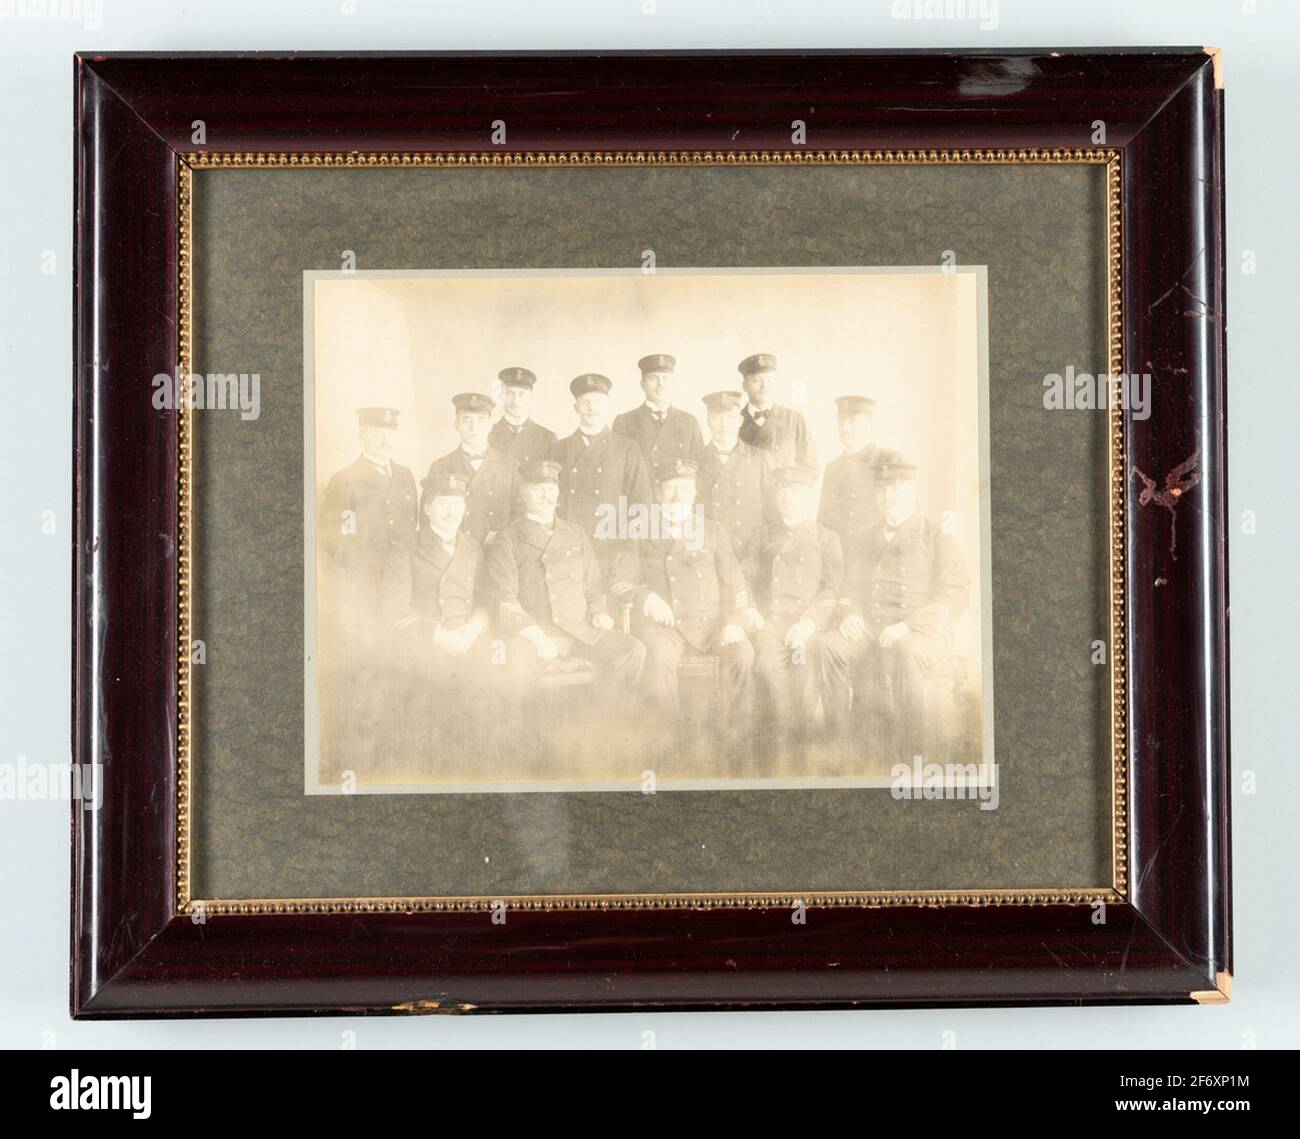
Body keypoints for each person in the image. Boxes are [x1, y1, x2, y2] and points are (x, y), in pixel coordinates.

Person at [816, 457, 970, 759]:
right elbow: (848, 587)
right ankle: (840, 738)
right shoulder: (864, 536)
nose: (890, 497)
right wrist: (850, 614)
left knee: (904, 650)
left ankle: (910, 752)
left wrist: (909, 626)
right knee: (827, 646)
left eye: (897, 489)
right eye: (883, 491)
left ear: (913, 492)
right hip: (872, 627)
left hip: (922, 633)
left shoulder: (936, 535)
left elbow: (956, 594)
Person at [485, 459, 646, 696]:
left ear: (558, 492)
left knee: (633, 649)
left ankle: (609, 723)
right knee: (515, 660)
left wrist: (598, 611)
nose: (546, 496)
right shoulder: (508, 538)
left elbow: (593, 585)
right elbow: (503, 596)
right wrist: (536, 637)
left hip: (580, 629)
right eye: (538, 489)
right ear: (523, 494)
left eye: (551, 489)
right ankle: (520, 732)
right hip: (538, 631)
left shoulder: (575, 532)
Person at [611, 458, 754, 724]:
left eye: (684, 489)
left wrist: (734, 622)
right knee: (657, 658)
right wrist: (646, 598)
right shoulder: (639, 530)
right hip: (664, 629)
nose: (677, 496)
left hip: (711, 625)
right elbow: (619, 583)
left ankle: (735, 737)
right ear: (658, 493)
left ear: (695, 493)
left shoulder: (712, 531)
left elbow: (735, 583)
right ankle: (667, 744)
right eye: (670, 488)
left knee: (743, 653)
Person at [383, 471, 492, 768]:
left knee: (496, 687)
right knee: (429, 715)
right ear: (428, 508)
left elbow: (485, 601)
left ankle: (478, 768)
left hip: (467, 640)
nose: (450, 512)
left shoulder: (473, 548)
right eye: (443, 503)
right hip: (424, 639)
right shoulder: (405, 546)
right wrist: (441, 636)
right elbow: (395, 608)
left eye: (457, 504)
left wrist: (472, 629)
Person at [746, 465, 843, 747]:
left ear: (808, 496)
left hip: (805, 627)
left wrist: (809, 623)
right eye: (783, 491)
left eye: (796, 491)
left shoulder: (826, 538)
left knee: (804, 673)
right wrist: (751, 609)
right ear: (777, 497)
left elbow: (831, 589)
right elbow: (743, 577)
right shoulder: (762, 536)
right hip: (770, 625)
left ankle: (798, 748)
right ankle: (778, 743)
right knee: (765, 665)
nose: (789, 497)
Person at [318, 405, 418, 652]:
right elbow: (333, 541)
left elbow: (411, 524)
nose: (386, 440)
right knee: (371, 649)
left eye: (391, 433)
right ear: (361, 436)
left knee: (404, 646)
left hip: (403, 579)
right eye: (376, 433)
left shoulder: (405, 475)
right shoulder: (344, 479)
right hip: (365, 582)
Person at [550, 372, 653, 577]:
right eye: (585, 402)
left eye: (597, 401)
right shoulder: (559, 449)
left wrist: (629, 551)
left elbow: (641, 502)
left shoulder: (626, 448)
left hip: (612, 545)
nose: (591, 407)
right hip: (570, 544)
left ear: (607, 406)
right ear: (576, 408)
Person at [695, 389, 774, 583]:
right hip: (709, 562)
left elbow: (774, 516)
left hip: (752, 560)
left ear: (739, 421)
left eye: (730, 418)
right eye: (717, 418)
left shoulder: (760, 459)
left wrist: (757, 557)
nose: (723, 425)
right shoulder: (694, 462)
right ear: (707, 422)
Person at [425, 392, 517, 545]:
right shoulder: (440, 466)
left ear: (490, 425)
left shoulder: (510, 465)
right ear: (456, 425)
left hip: (497, 548)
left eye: (480, 421)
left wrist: (501, 536)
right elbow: (427, 516)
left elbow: (521, 513)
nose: (474, 427)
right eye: (467, 420)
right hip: (457, 550)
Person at [818, 395, 893, 561]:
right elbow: (823, 525)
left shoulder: (888, 461)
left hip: (878, 561)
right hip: (841, 563)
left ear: (870, 424)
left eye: (853, 422)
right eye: (841, 421)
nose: (845, 428)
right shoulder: (832, 468)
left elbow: (908, 522)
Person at [613, 353, 703, 467]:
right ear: (642, 385)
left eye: (665, 378)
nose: (660, 384)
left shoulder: (690, 422)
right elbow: (618, 470)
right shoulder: (625, 422)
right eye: (653, 378)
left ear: (672, 383)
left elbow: (698, 468)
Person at [737, 353, 816, 470]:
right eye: (756, 380)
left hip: (783, 487)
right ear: (744, 386)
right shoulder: (733, 422)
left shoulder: (795, 420)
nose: (764, 386)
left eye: (769, 380)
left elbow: (809, 468)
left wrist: (790, 488)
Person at [488, 366, 557, 467]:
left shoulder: (547, 438)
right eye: (509, 394)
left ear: (530, 397)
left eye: (521, 394)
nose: (515, 401)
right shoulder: (488, 434)